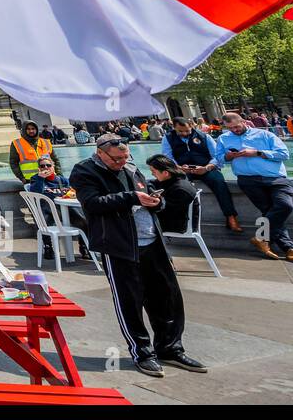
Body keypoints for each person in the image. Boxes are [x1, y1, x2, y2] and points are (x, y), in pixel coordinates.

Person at [71, 134, 206, 378]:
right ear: (100, 153)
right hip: (120, 245)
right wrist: (132, 197)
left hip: (152, 240)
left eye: (126, 157)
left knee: (167, 297)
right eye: (116, 159)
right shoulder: (84, 171)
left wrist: (157, 202)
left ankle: (170, 348)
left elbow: (149, 191)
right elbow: (91, 204)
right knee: (130, 301)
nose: (122, 162)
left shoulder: (132, 169)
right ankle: (142, 353)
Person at [214, 112, 293, 263]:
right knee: (268, 211)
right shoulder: (223, 138)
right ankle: (289, 249)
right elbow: (219, 159)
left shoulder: (264, 134)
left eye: (236, 126)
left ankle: (261, 238)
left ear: (243, 121)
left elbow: (284, 154)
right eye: (230, 128)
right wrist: (228, 156)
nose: (234, 130)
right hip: (248, 180)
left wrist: (257, 153)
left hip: (276, 178)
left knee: (285, 205)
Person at [160, 117, 241, 233]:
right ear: (174, 128)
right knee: (179, 187)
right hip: (183, 170)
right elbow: (168, 158)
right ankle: (181, 221)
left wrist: (206, 167)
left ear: (192, 126)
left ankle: (231, 217)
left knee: (219, 182)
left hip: (205, 168)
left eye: (187, 131)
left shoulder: (204, 136)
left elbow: (217, 156)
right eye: (180, 131)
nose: (184, 133)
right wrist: (179, 168)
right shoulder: (167, 138)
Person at [144, 155, 198, 234]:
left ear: (165, 173)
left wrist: (151, 201)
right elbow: (150, 183)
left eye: (154, 171)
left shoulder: (181, 190)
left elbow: (167, 212)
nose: (152, 174)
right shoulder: (173, 179)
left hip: (177, 225)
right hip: (173, 217)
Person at [9, 121, 58, 188]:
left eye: (33, 129)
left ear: (37, 129)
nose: (31, 131)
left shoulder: (46, 142)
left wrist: (59, 174)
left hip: (49, 178)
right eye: (28, 129)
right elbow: (13, 163)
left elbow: (55, 160)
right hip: (30, 180)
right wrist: (22, 178)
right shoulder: (16, 143)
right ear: (24, 130)